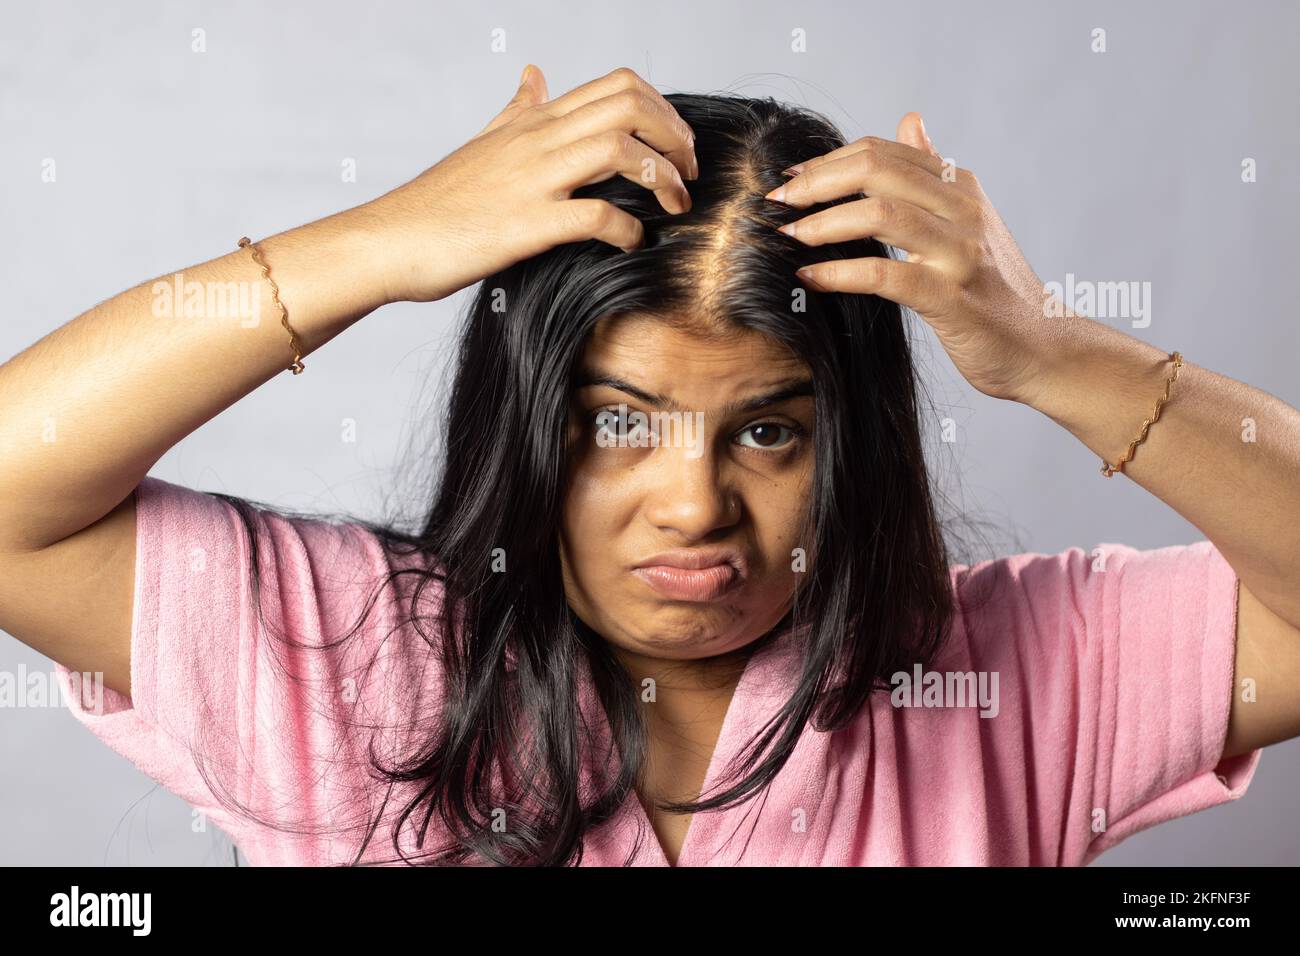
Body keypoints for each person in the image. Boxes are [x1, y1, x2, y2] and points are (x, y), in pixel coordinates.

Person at [1, 65, 1297, 867]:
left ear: (852, 439)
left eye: (769, 430)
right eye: (621, 424)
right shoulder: (346, 664)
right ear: (531, 425)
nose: (694, 505)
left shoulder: (1001, 683)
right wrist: (383, 242)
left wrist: (1054, 352)